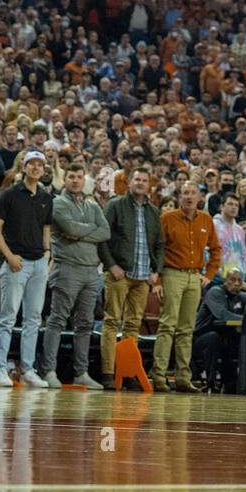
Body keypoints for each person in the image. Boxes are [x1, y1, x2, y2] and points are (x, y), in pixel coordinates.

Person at [41, 160, 110, 390]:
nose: (75, 180)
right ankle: (48, 370)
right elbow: (70, 229)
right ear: (66, 179)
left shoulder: (92, 206)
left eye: (79, 177)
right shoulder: (57, 203)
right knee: (57, 319)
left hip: (91, 272)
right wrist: (86, 230)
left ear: (84, 180)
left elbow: (105, 231)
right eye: (71, 176)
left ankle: (81, 372)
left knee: (85, 323)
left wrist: (80, 233)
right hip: (67, 268)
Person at [0, 151, 53, 389]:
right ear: (24, 167)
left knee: (33, 319)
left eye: (40, 165)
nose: (36, 168)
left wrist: (47, 254)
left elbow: (46, 228)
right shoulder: (8, 195)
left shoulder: (47, 197)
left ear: (44, 169)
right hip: (16, 262)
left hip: (39, 263)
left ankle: (27, 369)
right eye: (32, 164)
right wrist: (9, 256)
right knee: (7, 317)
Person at [151, 181, 220, 392]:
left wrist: (208, 275)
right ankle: (159, 376)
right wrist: (159, 280)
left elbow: (216, 249)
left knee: (187, 330)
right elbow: (156, 250)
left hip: (194, 277)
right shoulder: (167, 218)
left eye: (192, 193)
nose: (189, 197)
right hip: (172, 274)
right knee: (167, 325)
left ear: (200, 197)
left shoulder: (206, 220)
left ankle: (183, 378)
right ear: (179, 196)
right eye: (185, 193)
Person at [99, 164, 164, 388]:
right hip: (120, 274)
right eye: (137, 180)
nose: (140, 184)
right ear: (130, 182)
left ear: (150, 186)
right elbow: (102, 237)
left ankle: (127, 373)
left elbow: (159, 244)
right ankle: (108, 373)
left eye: (145, 181)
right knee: (111, 322)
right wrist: (111, 265)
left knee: (133, 325)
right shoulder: (116, 205)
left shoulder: (154, 211)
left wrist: (156, 271)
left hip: (143, 277)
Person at [192, 266, 246, 391]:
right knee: (214, 338)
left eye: (239, 281)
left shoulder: (242, 297)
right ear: (225, 281)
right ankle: (210, 383)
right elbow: (222, 315)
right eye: (232, 279)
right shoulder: (215, 292)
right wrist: (245, 320)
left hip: (224, 337)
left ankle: (238, 384)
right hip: (200, 338)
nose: (236, 283)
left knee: (239, 339)